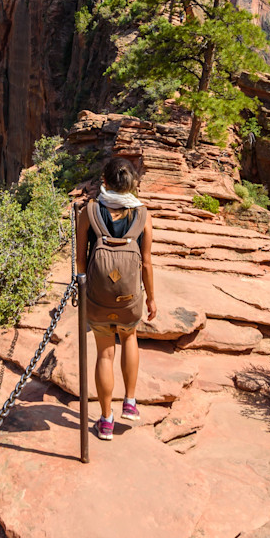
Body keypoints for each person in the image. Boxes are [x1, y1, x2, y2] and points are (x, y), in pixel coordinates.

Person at [75, 156, 156, 441]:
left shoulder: (90, 210)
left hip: (98, 298)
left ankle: (106, 421)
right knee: (130, 338)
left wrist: (84, 291)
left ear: (105, 181)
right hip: (130, 297)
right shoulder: (142, 214)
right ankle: (130, 403)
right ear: (132, 184)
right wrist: (151, 299)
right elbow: (146, 263)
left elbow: (81, 260)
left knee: (105, 353)